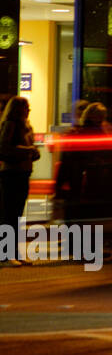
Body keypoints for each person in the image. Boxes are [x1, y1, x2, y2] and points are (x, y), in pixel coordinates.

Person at [0, 97, 40, 266]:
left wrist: (34, 152)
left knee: (16, 216)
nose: (29, 110)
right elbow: (3, 147)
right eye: (26, 107)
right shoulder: (10, 125)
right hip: (11, 173)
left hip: (23, 173)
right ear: (17, 109)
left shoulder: (26, 126)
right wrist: (28, 150)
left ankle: (14, 252)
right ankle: (6, 254)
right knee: (9, 215)